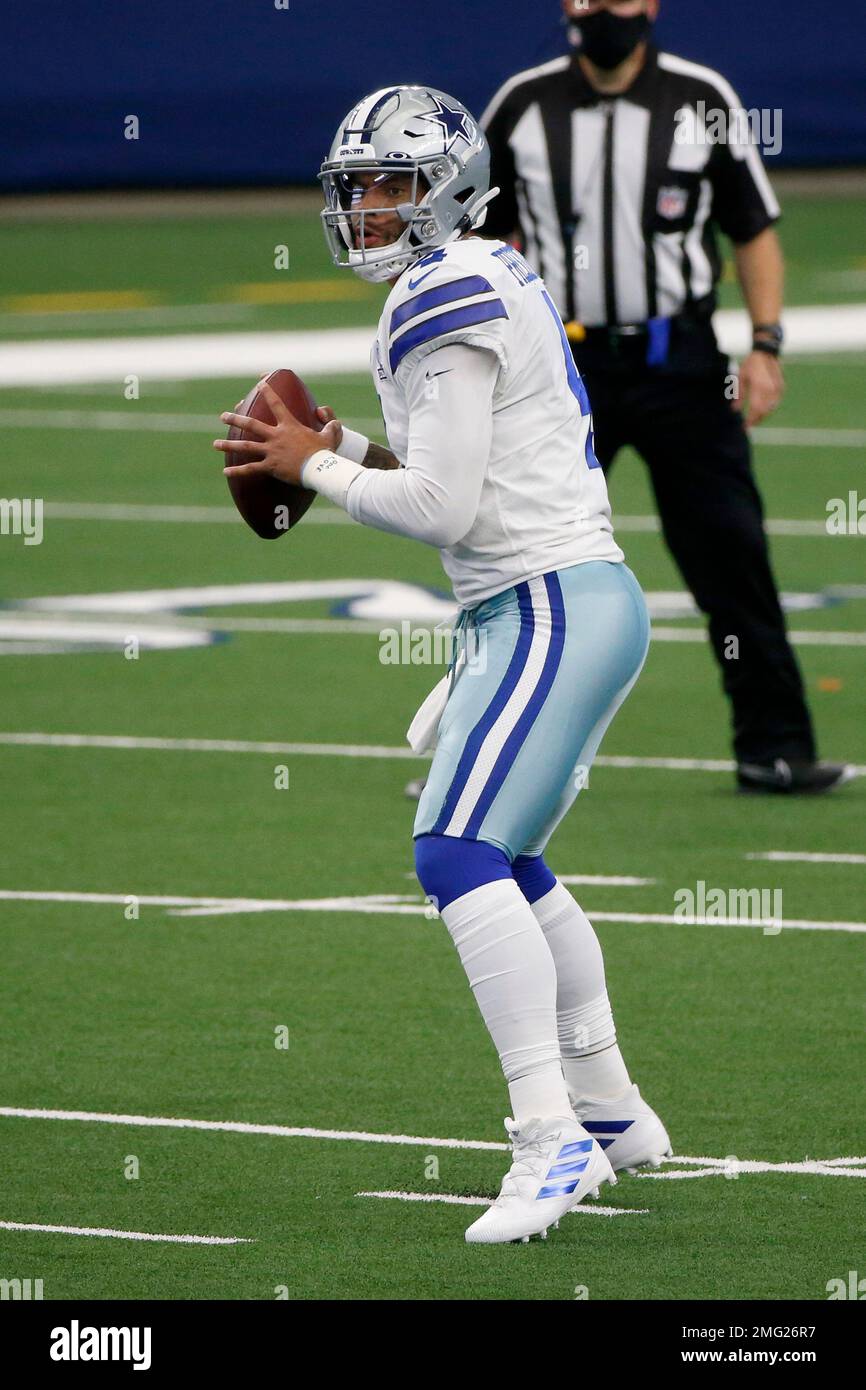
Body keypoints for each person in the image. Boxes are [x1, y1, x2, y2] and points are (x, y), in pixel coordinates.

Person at [215, 84, 670, 1245]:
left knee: (455, 850)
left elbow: (442, 506)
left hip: (545, 603)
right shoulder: (481, 271)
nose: (364, 210)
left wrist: (311, 470)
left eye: (385, 188)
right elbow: (451, 462)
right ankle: (611, 1111)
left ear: (447, 189)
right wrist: (336, 446)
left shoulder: (446, 288)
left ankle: (547, 1135)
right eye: (355, 189)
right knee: (506, 853)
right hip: (564, 601)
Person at [480, 0, 852, 795]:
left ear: (649, 4)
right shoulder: (520, 104)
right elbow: (479, 237)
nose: (601, 12)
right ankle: (478, 749)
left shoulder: (701, 99)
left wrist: (766, 344)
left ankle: (774, 747)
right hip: (562, 368)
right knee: (513, 559)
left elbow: (751, 226)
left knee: (731, 553)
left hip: (679, 362)